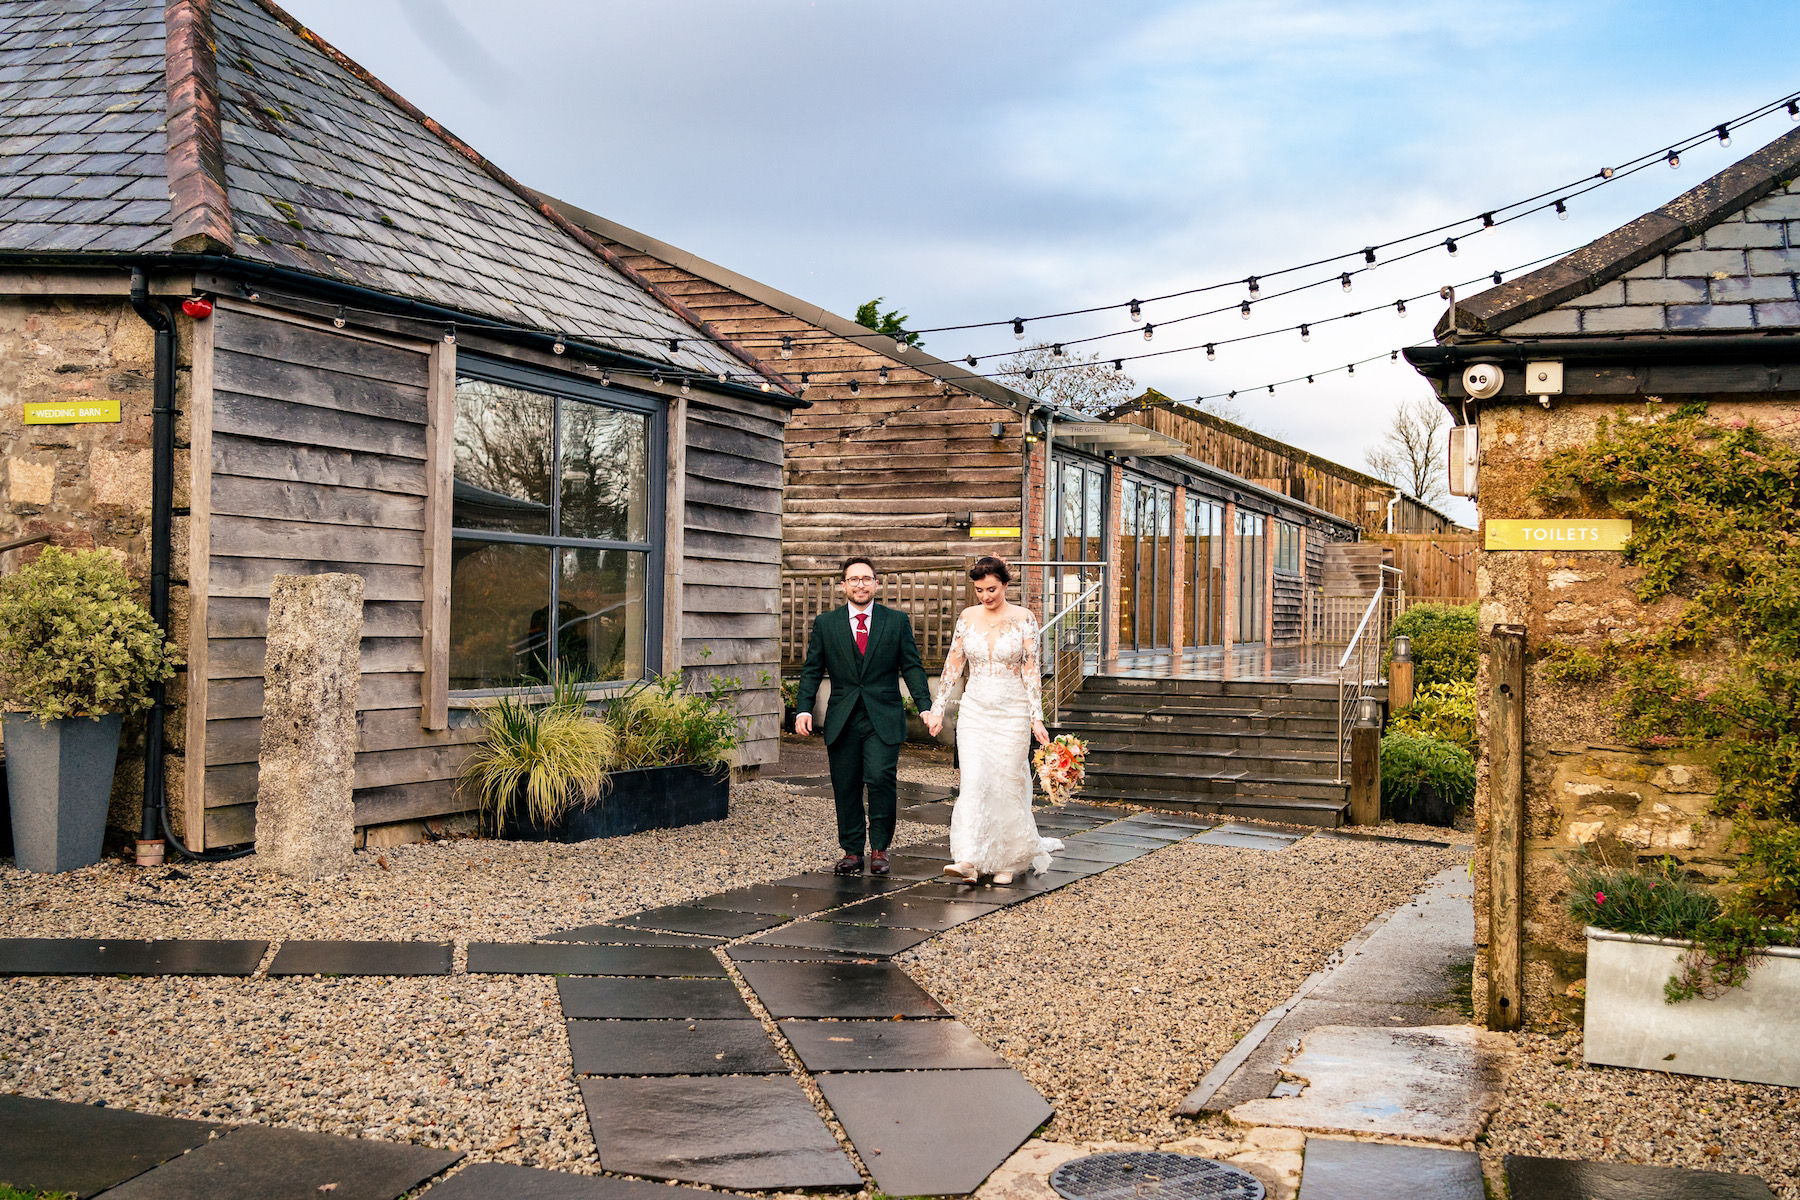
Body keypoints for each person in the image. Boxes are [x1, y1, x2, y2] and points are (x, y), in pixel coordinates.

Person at [922, 556, 1062, 883]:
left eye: (992, 589)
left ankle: (1009, 862)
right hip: (975, 709)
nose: (986, 596)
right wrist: (938, 706)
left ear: (1005, 584)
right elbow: (953, 663)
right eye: (980, 590)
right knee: (973, 781)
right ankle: (969, 858)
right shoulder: (967, 617)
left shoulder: (1023, 618)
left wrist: (1036, 718)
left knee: (1006, 783)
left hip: (1012, 710)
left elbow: (1030, 670)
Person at [793, 557, 933, 875]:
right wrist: (803, 708)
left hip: (882, 715)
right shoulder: (826, 624)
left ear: (876, 584)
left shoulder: (896, 622)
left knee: (881, 779)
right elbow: (812, 669)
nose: (860, 584)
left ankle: (880, 849)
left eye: (866, 579)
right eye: (853, 579)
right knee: (846, 784)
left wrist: (925, 705)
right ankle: (853, 851)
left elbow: (912, 665)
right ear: (843, 585)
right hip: (842, 716)